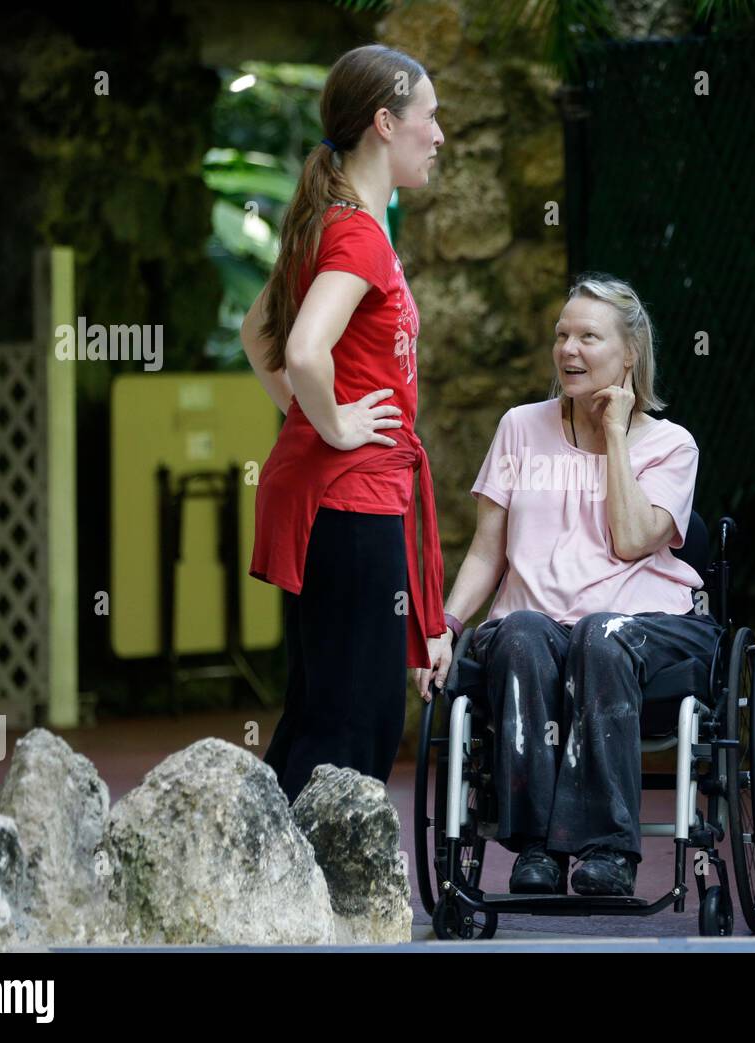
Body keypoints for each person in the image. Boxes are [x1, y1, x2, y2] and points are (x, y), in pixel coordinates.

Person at [413, 274, 722, 898]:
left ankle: (609, 850)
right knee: (521, 635)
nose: (569, 351)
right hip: (538, 629)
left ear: (628, 354)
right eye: (562, 336)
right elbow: (485, 552)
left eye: (588, 337)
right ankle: (536, 850)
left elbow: (635, 539)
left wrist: (613, 432)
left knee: (599, 635)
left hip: (646, 627)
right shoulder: (520, 428)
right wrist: (441, 627)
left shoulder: (670, 444)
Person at [241, 44, 447, 802]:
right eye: (429, 117)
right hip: (350, 498)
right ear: (386, 124)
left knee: (323, 710)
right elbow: (299, 348)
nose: (440, 134)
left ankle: (261, 881)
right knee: (355, 720)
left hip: (333, 497)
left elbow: (253, 330)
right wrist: (331, 426)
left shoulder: (329, 220)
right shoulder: (357, 231)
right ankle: (305, 902)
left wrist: (308, 420)